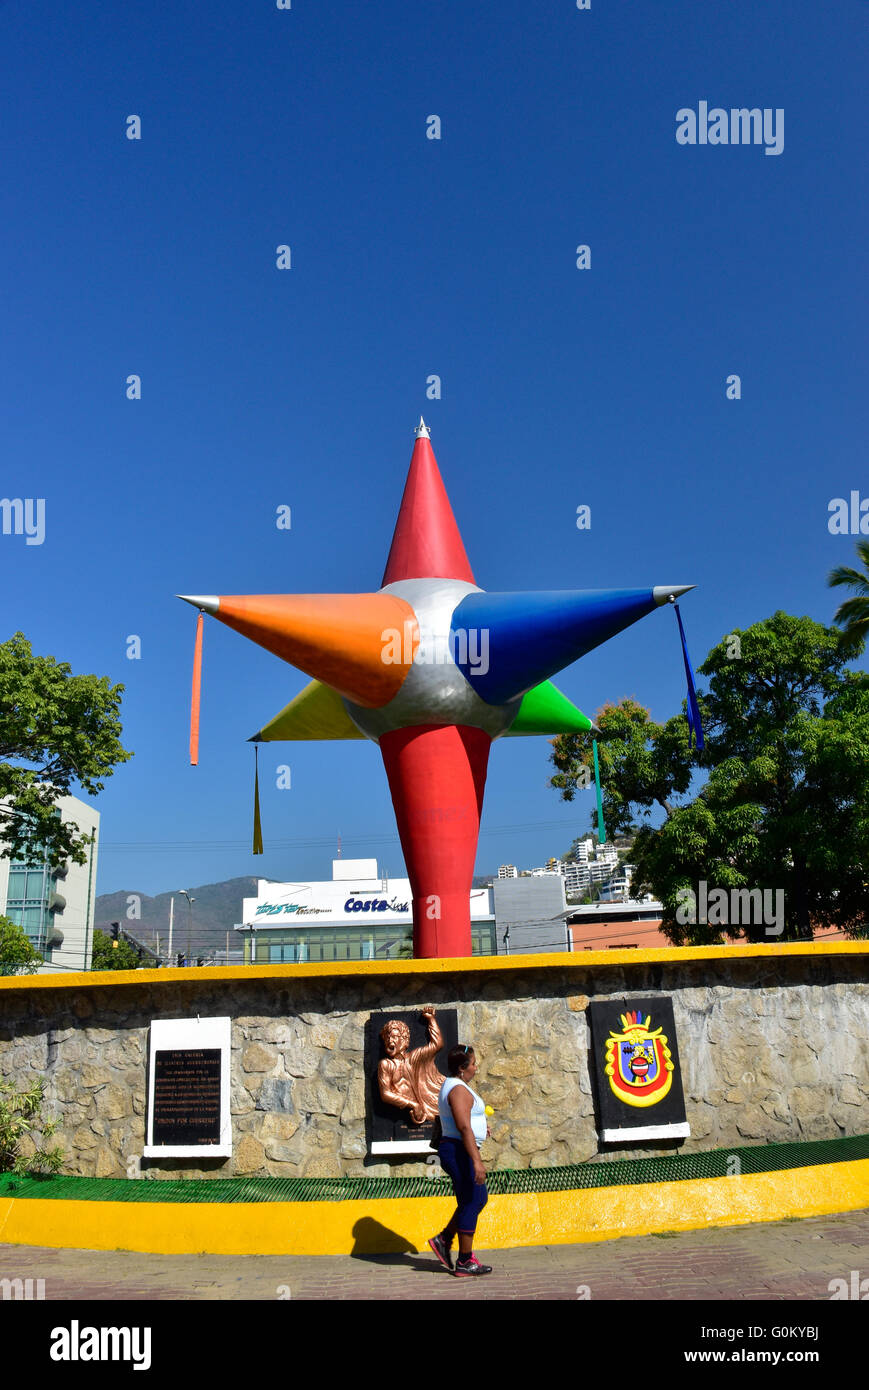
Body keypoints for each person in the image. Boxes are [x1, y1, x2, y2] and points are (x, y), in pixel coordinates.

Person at [427, 1043, 493, 1277]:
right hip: (459, 1151)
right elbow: (463, 1126)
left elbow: (467, 1123)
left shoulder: (457, 1086)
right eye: (473, 1064)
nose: (476, 1068)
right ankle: (465, 1260)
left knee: (477, 1198)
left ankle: (444, 1239)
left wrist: (480, 1128)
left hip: (460, 1147)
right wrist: (476, 1161)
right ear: (462, 1069)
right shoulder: (457, 1089)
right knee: (471, 1201)